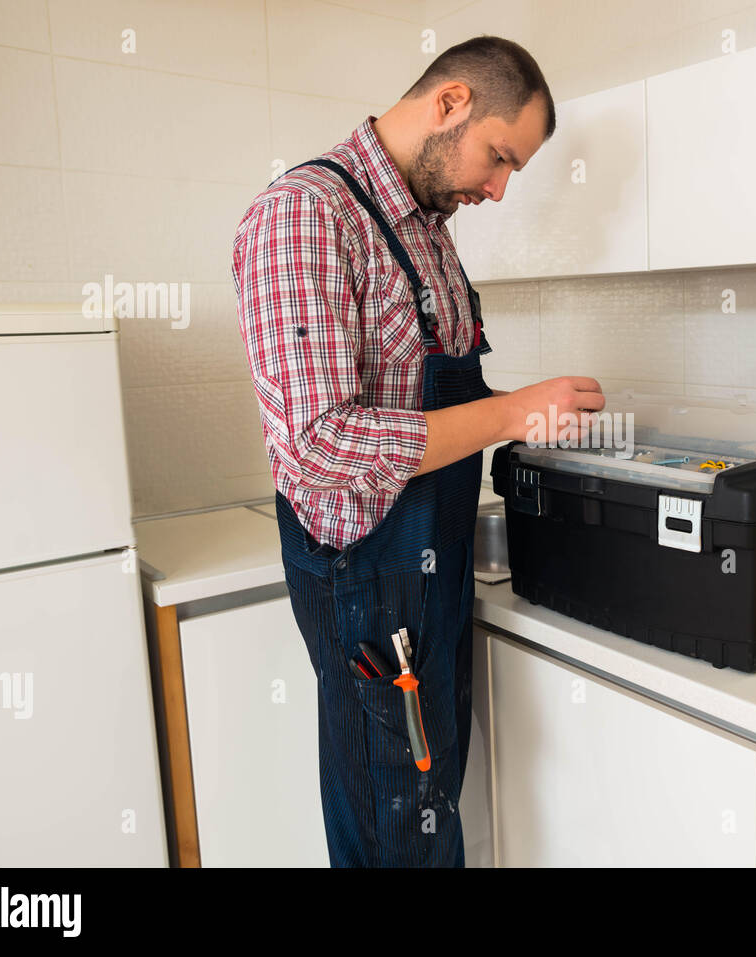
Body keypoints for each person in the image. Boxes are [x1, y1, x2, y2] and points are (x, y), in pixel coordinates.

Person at [232, 35, 604, 866]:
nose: (501, 191)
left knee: (431, 806)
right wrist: (511, 412)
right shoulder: (305, 214)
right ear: (450, 104)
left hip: (432, 567)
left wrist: (517, 414)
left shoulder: (429, 229)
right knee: (393, 830)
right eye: (500, 158)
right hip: (367, 581)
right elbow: (320, 444)